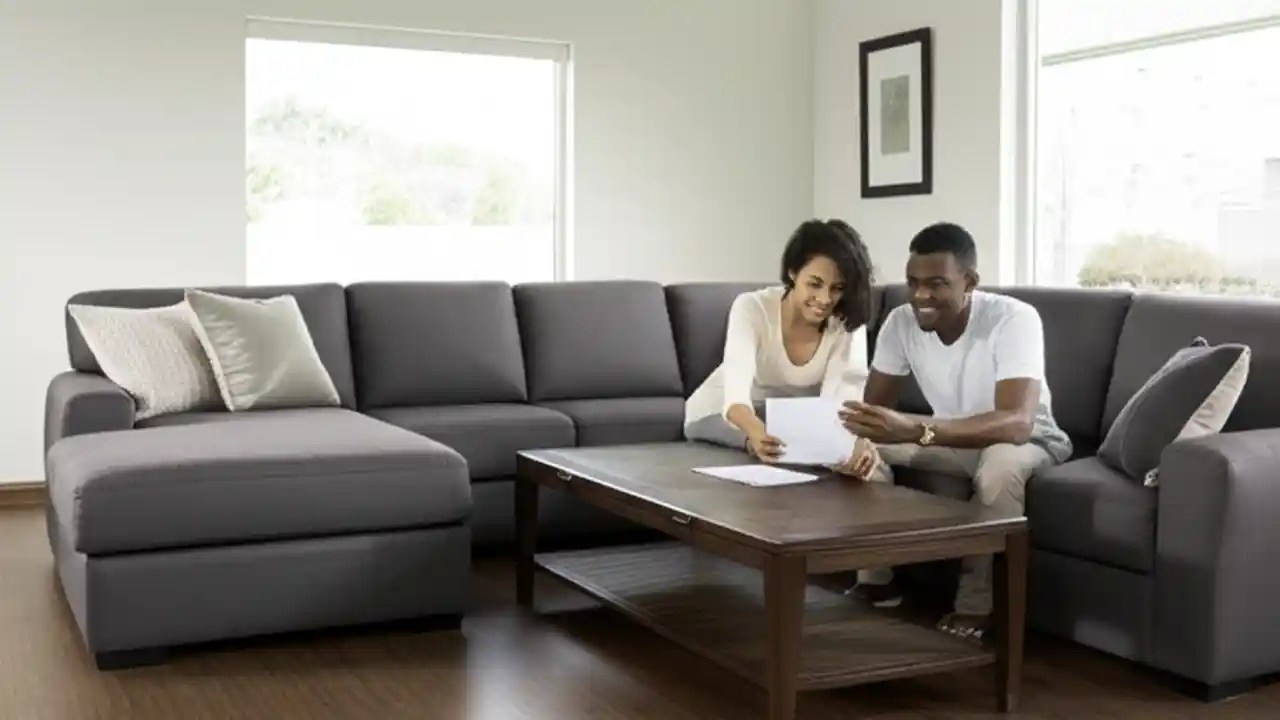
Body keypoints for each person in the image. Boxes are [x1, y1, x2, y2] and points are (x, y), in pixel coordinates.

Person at [839, 222, 1071, 640]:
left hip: (1026, 439)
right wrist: (859, 436)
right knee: (856, 449)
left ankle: (978, 607)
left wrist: (916, 428)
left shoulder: (1014, 319)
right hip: (949, 439)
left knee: (999, 469)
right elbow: (871, 414)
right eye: (913, 283)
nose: (920, 296)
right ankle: (877, 581)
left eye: (936, 284)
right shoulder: (900, 322)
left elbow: (1017, 420)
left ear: (970, 282)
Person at [684, 218, 880, 475]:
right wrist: (755, 433)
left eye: (837, 288)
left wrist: (854, 445)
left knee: (865, 462)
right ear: (792, 272)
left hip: (794, 417)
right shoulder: (752, 307)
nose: (824, 299)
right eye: (815, 284)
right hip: (727, 413)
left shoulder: (847, 321)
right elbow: (736, 398)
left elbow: (840, 404)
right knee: (773, 446)